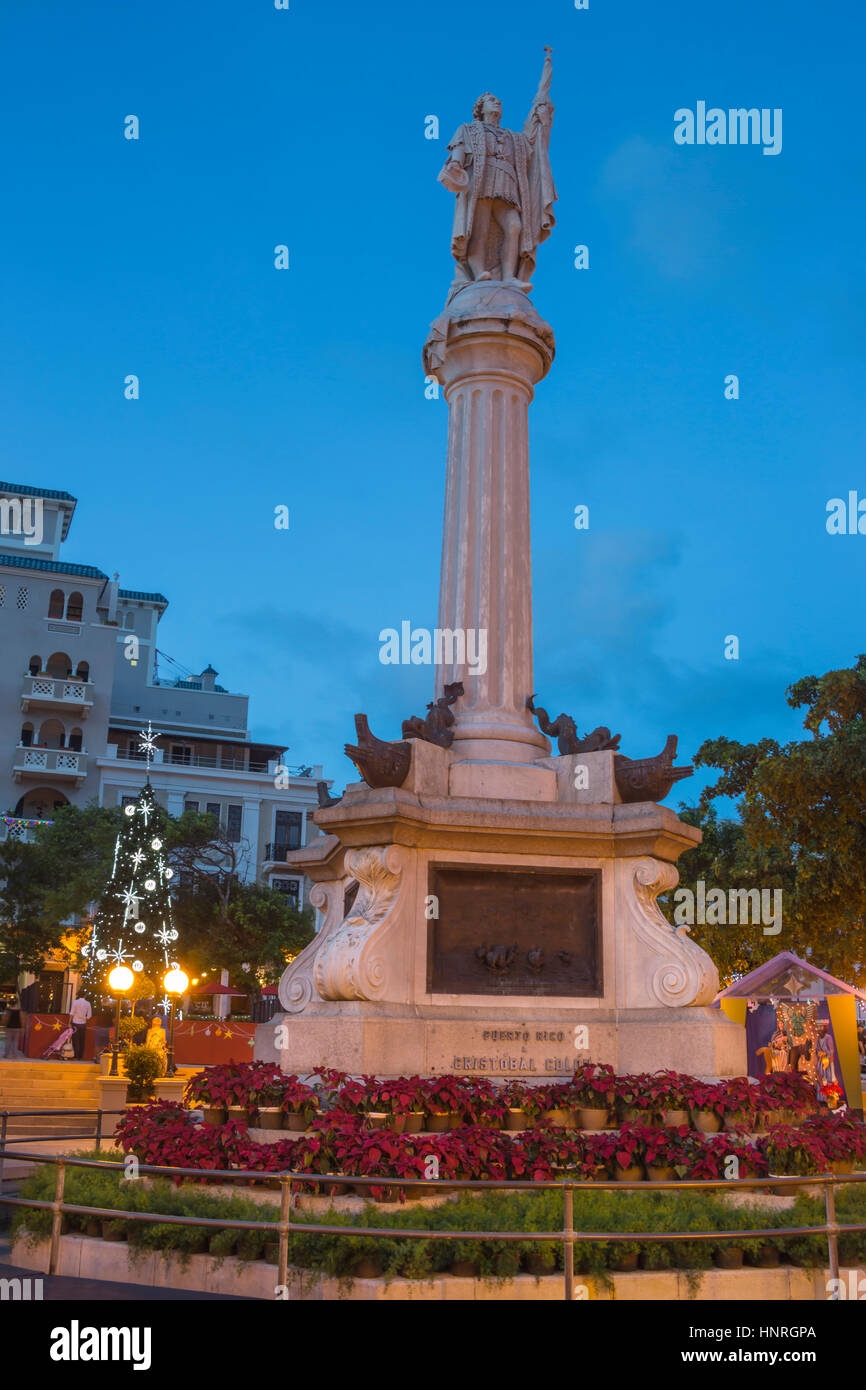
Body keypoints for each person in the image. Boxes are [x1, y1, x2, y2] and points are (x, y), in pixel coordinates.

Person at [69, 993, 92, 1060]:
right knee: (82, 1040)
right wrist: (85, 1018)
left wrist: (69, 1023)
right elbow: (89, 1016)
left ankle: (75, 1055)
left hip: (75, 1023)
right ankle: (80, 1056)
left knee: (75, 1040)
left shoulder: (75, 1002)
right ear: (85, 996)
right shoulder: (88, 1003)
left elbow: (72, 1013)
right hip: (83, 1024)